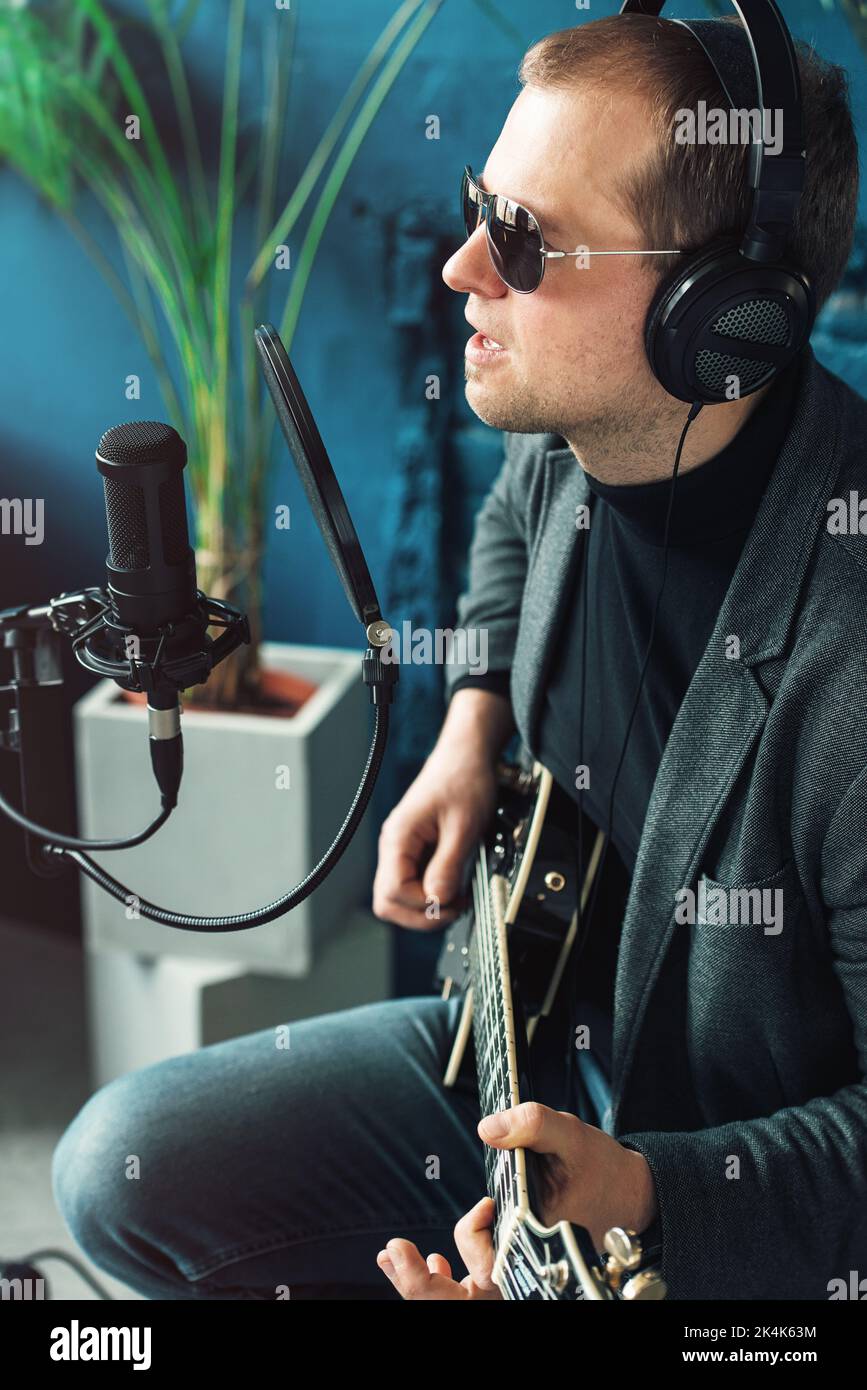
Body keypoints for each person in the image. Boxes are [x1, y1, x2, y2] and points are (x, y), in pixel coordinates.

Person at [52, 12, 865, 1301]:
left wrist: (650, 1198)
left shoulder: (851, 671)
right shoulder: (574, 422)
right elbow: (508, 529)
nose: (460, 267)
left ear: (724, 323)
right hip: (522, 1034)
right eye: (484, 204)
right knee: (114, 1168)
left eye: (530, 241)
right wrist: (472, 726)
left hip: (719, 1184)